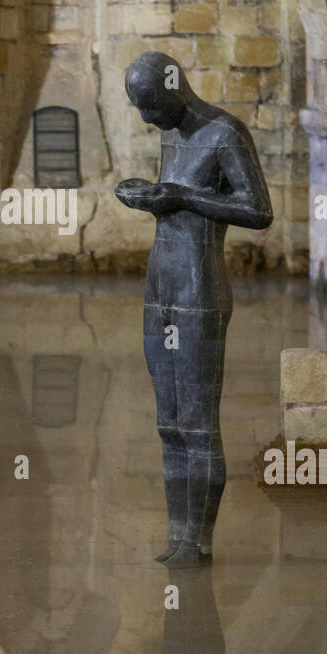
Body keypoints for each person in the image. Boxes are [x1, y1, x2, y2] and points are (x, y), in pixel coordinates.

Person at [115, 52, 273, 567]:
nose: (146, 119)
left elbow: (257, 210)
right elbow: (177, 201)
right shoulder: (171, 133)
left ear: (175, 90)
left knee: (199, 424)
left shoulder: (225, 133)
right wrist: (154, 197)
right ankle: (178, 534)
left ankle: (199, 542)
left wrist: (181, 195)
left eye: (152, 108)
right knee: (169, 424)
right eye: (140, 110)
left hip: (200, 295)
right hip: (160, 289)